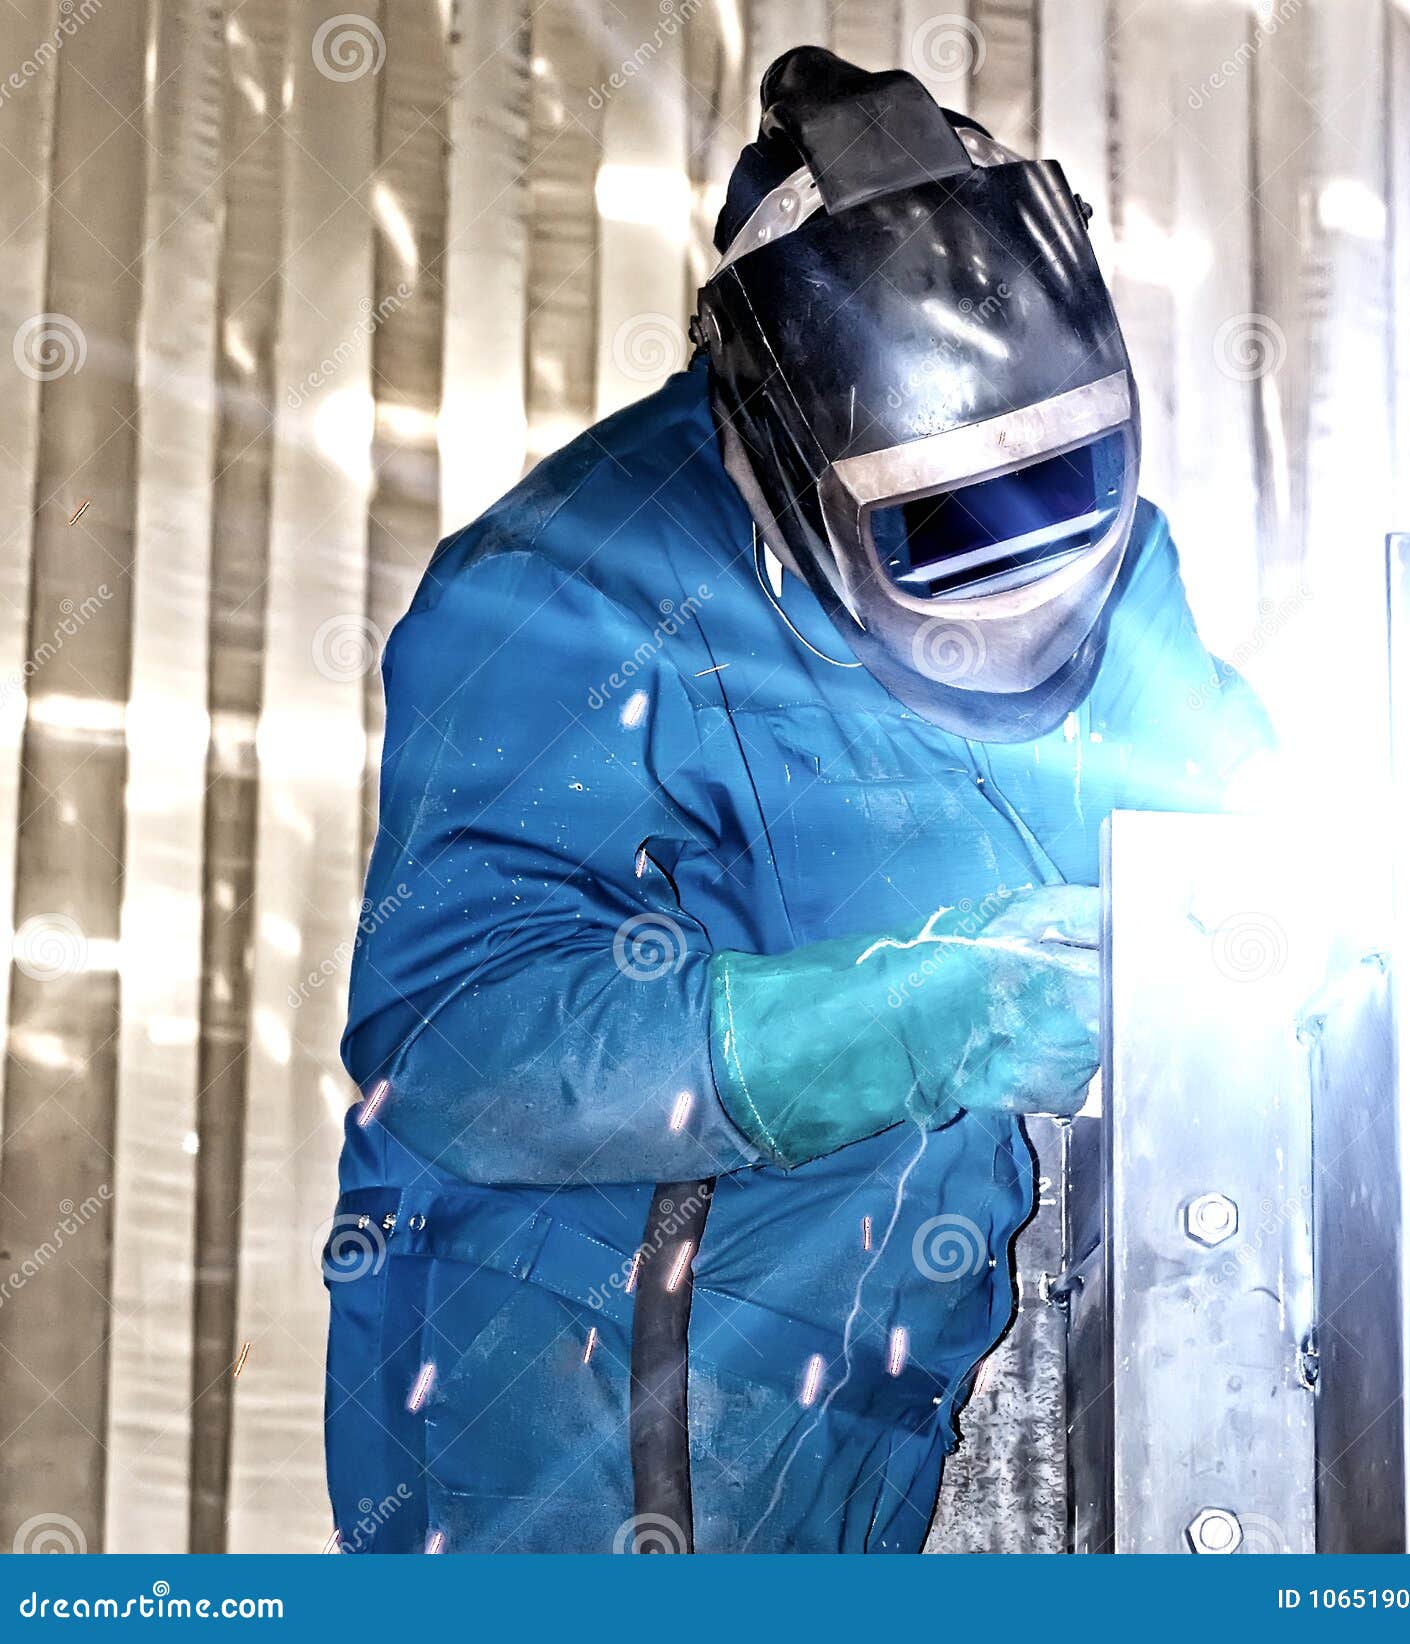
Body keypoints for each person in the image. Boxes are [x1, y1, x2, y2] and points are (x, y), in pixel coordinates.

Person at [323, 46, 1269, 1554]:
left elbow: (1227, 818)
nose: (1024, 572)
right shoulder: (565, 593)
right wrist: (924, 1016)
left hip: (910, 1372)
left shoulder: (1109, 550)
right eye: (942, 524)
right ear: (781, 445)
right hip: (606, 1434)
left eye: (1067, 492)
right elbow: (459, 1041)